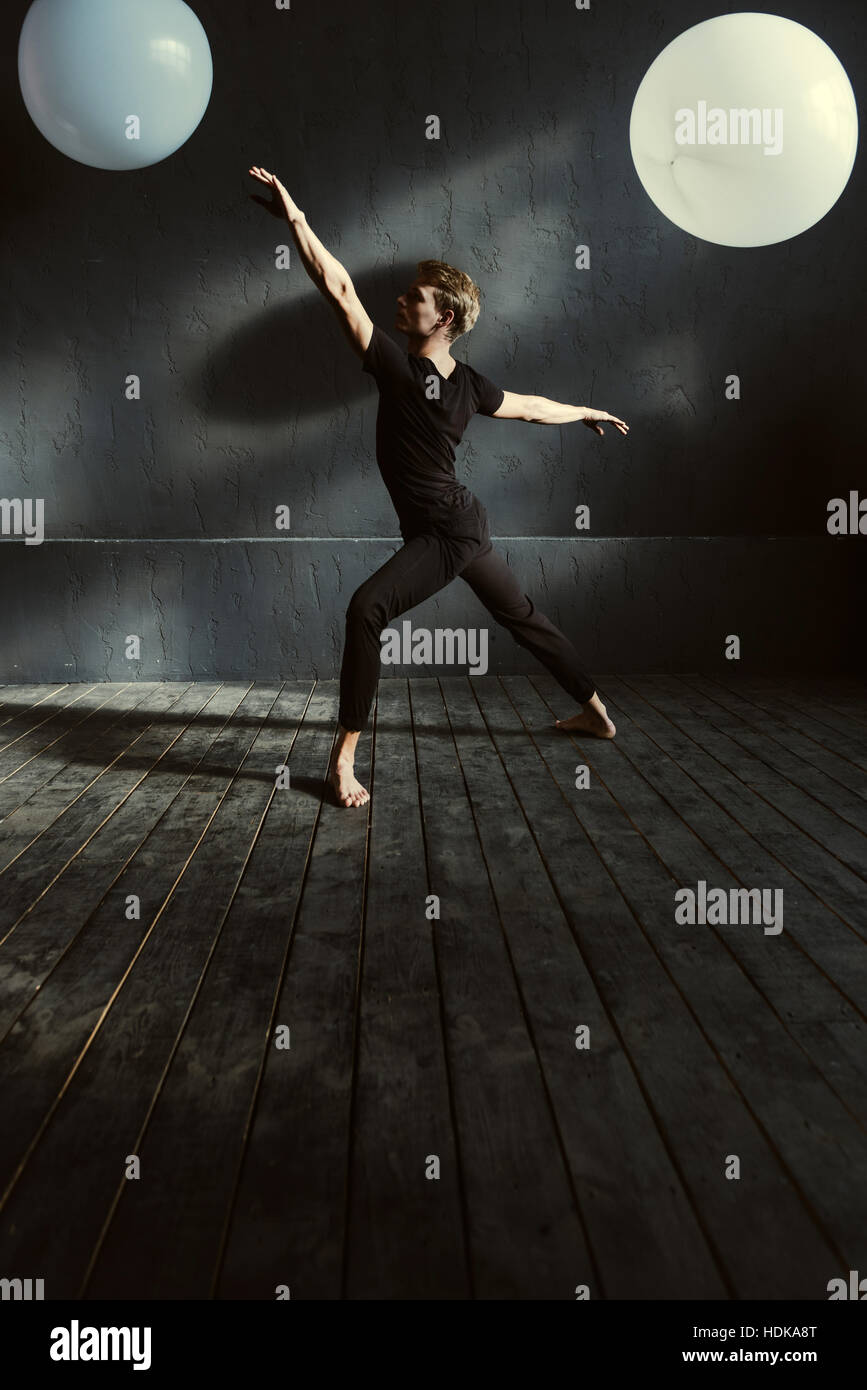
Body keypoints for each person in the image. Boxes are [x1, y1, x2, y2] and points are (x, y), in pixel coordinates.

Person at [249, 167, 630, 808]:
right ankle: (598, 715)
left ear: (444, 316)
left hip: (445, 530)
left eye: (414, 297)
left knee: (366, 610)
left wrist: (297, 220)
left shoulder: (399, 371)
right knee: (524, 619)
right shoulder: (468, 383)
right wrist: (584, 410)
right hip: (463, 524)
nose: (401, 302)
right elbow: (532, 407)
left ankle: (342, 760)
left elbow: (337, 287)